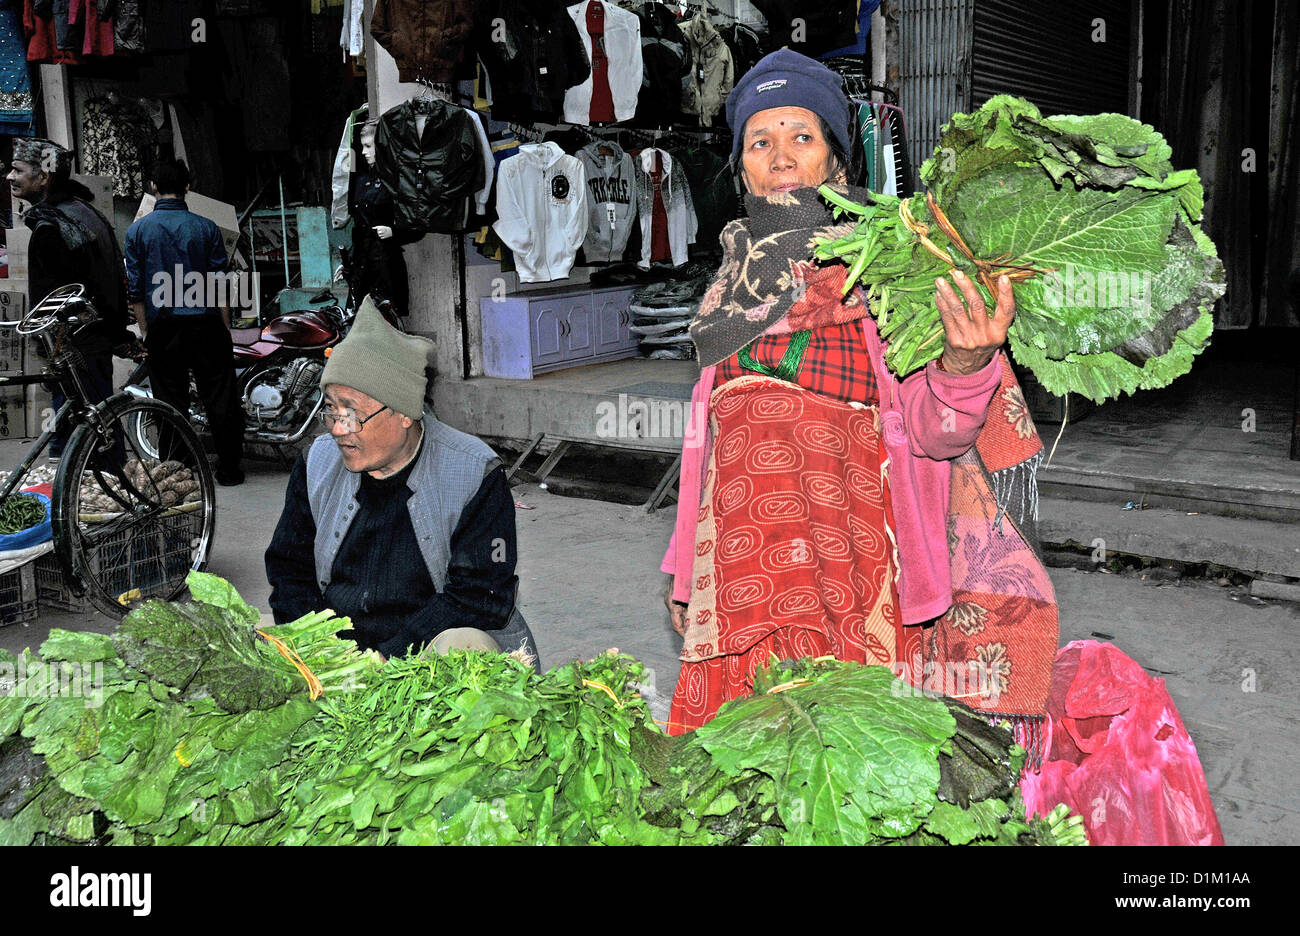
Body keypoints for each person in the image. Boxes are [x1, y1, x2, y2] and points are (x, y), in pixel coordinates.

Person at [660, 50, 1056, 736]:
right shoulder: (726, 289)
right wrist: (679, 571)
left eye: (801, 137)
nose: (780, 155)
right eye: (761, 141)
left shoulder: (895, 270)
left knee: (850, 767)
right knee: (744, 777)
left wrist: (965, 363)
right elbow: (704, 448)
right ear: (742, 168)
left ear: (838, 163)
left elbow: (937, 434)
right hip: (740, 583)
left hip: (857, 579)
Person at [264, 297, 539, 665]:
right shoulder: (317, 462)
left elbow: (478, 594)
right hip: (340, 649)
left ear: (405, 413)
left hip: (425, 646)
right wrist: (324, 652)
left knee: (463, 648)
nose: (339, 428)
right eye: (331, 409)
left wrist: (384, 659)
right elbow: (289, 570)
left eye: (353, 413)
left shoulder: (475, 472)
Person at [6, 137, 134, 456]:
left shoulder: (53, 226)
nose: (9, 177)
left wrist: (51, 354)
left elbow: (55, 301)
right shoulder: (84, 213)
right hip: (95, 342)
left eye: (18, 170)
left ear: (43, 177)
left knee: (82, 442)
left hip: (74, 350)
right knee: (100, 428)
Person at [124, 158, 246, 486]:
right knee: (220, 396)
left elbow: (135, 291)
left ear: (153, 188)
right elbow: (220, 282)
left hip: (163, 327)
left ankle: (179, 471)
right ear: (187, 188)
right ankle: (230, 470)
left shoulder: (138, 231)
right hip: (205, 322)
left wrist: (147, 332)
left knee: (170, 401)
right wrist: (225, 327)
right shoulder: (206, 228)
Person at [346, 120, 414, 317]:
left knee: (388, 323)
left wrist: (395, 231)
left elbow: (416, 222)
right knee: (358, 323)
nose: (365, 152)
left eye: (369, 146)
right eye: (362, 147)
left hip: (386, 264)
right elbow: (359, 225)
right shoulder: (361, 181)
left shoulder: (398, 180)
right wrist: (349, 260)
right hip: (361, 264)